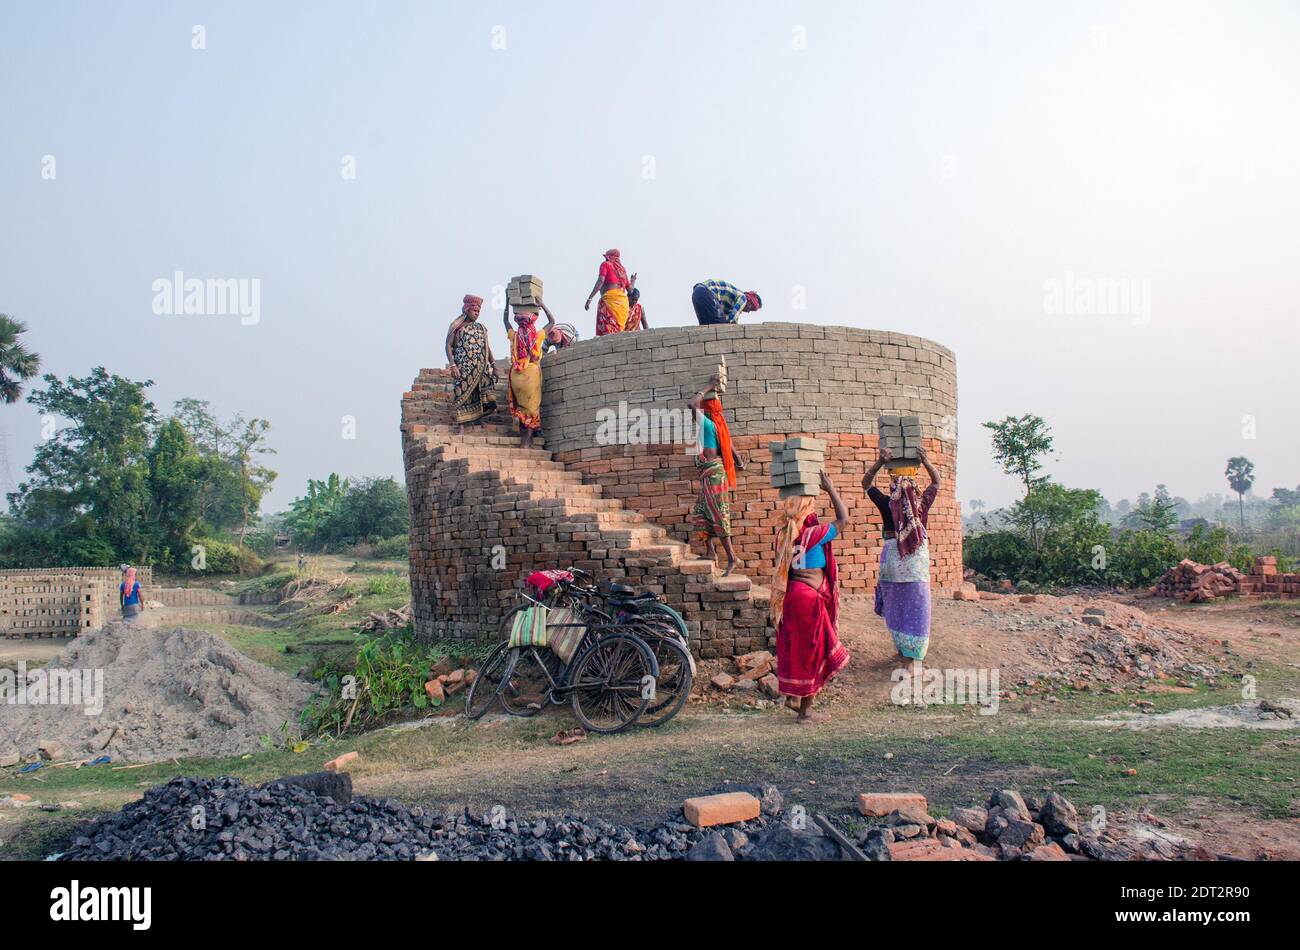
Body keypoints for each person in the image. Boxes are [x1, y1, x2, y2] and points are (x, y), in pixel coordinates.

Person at [771, 472, 851, 723]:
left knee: (797, 650)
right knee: (813, 653)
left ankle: (793, 698)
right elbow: (843, 519)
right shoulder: (813, 533)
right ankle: (805, 712)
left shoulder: (785, 535)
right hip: (808, 601)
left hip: (792, 597)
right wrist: (830, 488)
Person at [862, 444, 941, 661]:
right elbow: (936, 482)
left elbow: (866, 484)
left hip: (893, 565)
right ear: (914, 487)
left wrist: (880, 462)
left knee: (896, 605)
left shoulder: (887, 504)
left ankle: (902, 650)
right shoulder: (921, 505)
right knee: (917, 607)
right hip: (916, 566)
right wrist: (925, 461)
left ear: (892, 487)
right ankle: (913, 656)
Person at [687, 373, 746, 575]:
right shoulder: (720, 426)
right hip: (710, 474)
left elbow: (692, 404)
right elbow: (729, 446)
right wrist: (738, 461)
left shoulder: (708, 424)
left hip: (712, 474)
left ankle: (731, 557)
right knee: (701, 512)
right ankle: (711, 551)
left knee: (718, 515)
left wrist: (707, 386)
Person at [503, 295, 555, 449]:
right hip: (530, 374)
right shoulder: (537, 336)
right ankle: (527, 441)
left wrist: (507, 301)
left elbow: (505, 321)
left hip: (516, 375)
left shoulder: (515, 336)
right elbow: (552, 321)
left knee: (521, 407)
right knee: (531, 409)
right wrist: (542, 304)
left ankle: (523, 439)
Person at [445, 294, 497, 424]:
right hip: (463, 367)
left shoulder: (481, 328)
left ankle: (478, 419)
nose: (477, 314)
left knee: (482, 394)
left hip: (481, 367)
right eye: (474, 311)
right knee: (462, 393)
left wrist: (494, 365)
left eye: (478, 311)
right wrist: (452, 366)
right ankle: (462, 425)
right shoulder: (456, 326)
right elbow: (448, 345)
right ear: (467, 310)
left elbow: (487, 347)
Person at [586, 249, 636, 335]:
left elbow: (601, 281)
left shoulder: (605, 265)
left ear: (608, 257)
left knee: (608, 332)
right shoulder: (622, 270)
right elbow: (630, 290)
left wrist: (590, 298)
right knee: (617, 331)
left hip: (610, 301)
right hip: (622, 304)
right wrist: (633, 281)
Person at [691, 279, 761, 326]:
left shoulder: (729, 306)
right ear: (749, 300)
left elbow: (729, 318)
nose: (749, 311)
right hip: (706, 292)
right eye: (751, 308)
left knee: (706, 326)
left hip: (697, 293)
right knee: (718, 325)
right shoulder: (743, 298)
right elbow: (731, 319)